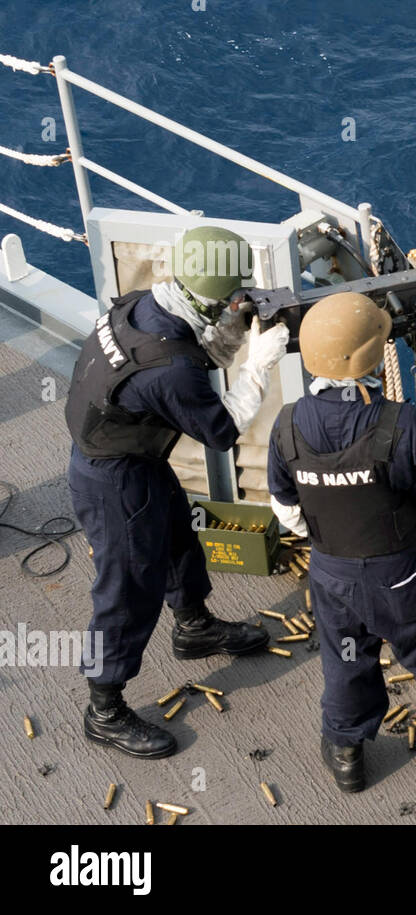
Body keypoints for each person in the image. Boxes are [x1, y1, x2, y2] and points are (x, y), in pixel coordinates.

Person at [265, 291, 416, 792]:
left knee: (347, 655)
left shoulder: (286, 424)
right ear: (374, 356)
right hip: (403, 573)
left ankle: (347, 752)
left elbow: (286, 508)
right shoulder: (402, 424)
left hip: (333, 573)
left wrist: (330, 537)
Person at [65, 225, 290, 758]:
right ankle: (104, 708)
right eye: (233, 298)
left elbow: (197, 348)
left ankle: (194, 628)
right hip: (113, 477)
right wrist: (257, 363)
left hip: (130, 458)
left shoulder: (145, 306)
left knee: (177, 541)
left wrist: (233, 328)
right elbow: (221, 429)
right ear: (213, 298)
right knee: (126, 590)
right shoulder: (170, 369)